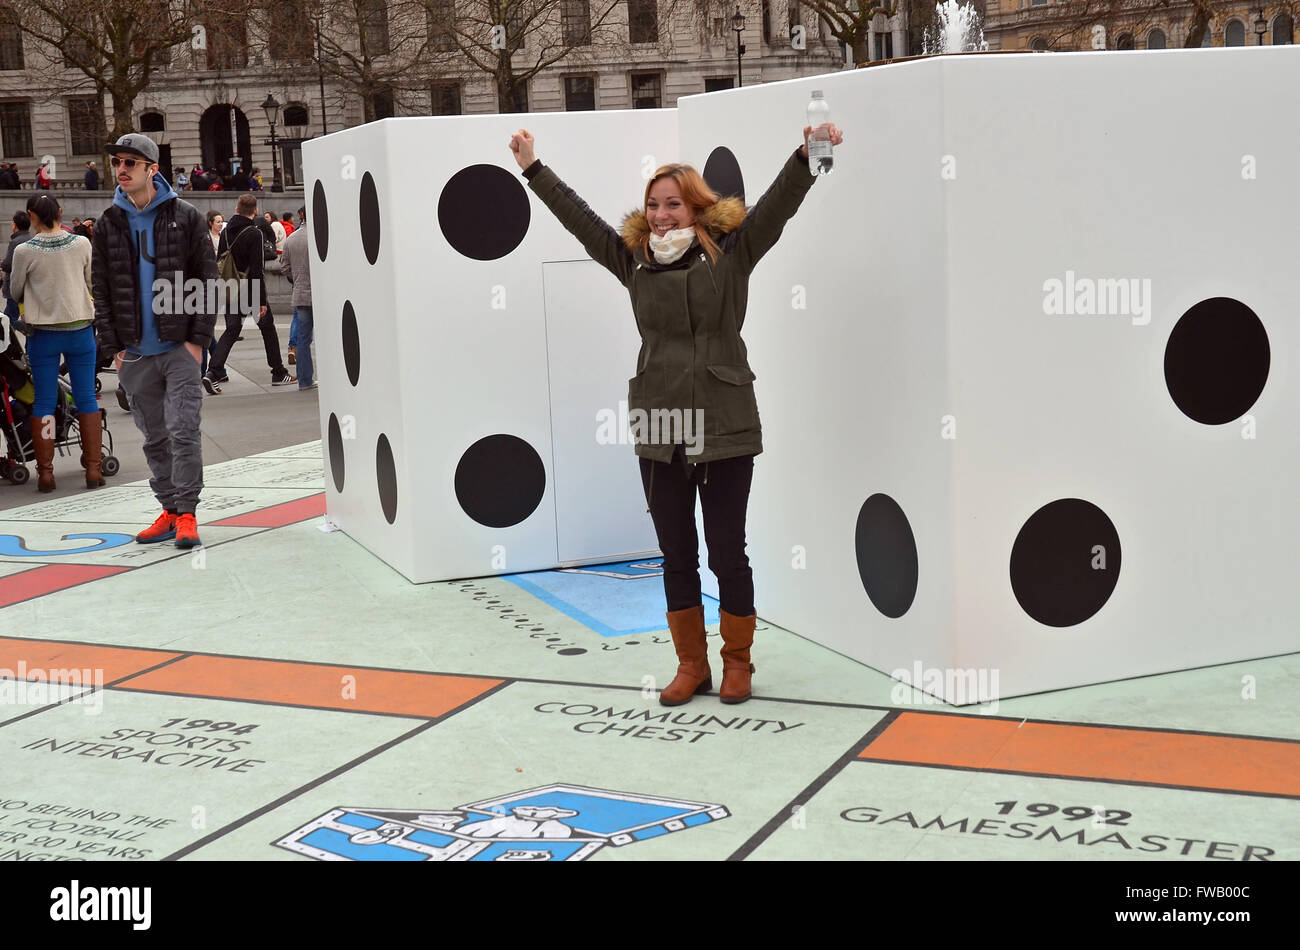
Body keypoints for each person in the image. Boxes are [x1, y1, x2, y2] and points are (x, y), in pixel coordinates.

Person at [508, 122, 843, 706]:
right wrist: (534, 169)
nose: (661, 215)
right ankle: (691, 664)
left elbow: (777, 207)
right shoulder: (633, 260)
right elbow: (580, 219)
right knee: (676, 551)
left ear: (695, 207)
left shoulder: (732, 252)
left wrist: (806, 152)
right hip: (660, 422)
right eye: (653, 205)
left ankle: (737, 661)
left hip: (724, 419)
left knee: (726, 550)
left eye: (673, 204)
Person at [92, 132, 217, 548]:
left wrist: (197, 341)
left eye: (130, 162)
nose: (121, 169)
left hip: (179, 348)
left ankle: (188, 514)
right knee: (155, 438)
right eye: (117, 163)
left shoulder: (185, 215)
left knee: (184, 432)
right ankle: (168, 508)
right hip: (135, 354)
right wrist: (115, 349)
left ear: (152, 169)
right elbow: (102, 289)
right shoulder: (110, 221)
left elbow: (207, 279)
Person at [7, 194, 98, 492]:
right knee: (86, 398)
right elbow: (89, 280)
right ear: (60, 212)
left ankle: (46, 473)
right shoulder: (82, 244)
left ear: (31, 215)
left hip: (43, 333)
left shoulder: (24, 250)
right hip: (81, 329)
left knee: (44, 401)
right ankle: (94, 469)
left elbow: (15, 290)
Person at [204, 193, 294, 392]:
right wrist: (260, 300)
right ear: (255, 210)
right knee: (268, 328)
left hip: (230, 286)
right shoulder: (255, 233)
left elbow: (220, 261)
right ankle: (278, 372)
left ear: (236, 209)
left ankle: (212, 372)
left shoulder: (226, 233)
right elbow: (257, 269)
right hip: (249, 289)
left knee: (232, 329)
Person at [280, 204, 315, 390]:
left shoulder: (291, 239)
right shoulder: (322, 236)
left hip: (301, 293)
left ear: (301, 215)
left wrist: (297, 279)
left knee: (303, 339)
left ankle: (304, 380)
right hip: (322, 294)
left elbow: (284, 267)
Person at [2, 211, 33, 326]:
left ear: (15, 225)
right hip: (27, 286)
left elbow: (8, 265)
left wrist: (2, 265)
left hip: (14, 288)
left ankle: (8, 343)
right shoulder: (31, 238)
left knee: (8, 321)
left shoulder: (16, 242)